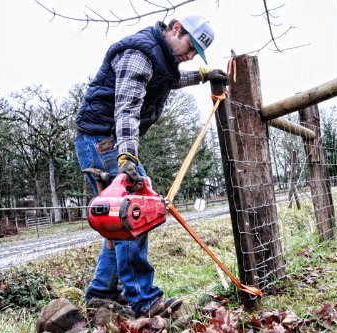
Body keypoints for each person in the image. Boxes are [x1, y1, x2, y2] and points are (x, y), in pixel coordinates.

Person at [74, 16, 227, 318]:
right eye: (191, 46)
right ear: (175, 28)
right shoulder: (139, 54)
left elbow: (167, 80)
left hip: (108, 140)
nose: (191, 54)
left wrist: (202, 75)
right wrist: (127, 158)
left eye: (197, 53)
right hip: (104, 141)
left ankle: (102, 293)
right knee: (135, 213)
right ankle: (144, 300)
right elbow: (127, 110)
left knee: (118, 223)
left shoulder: (160, 58)